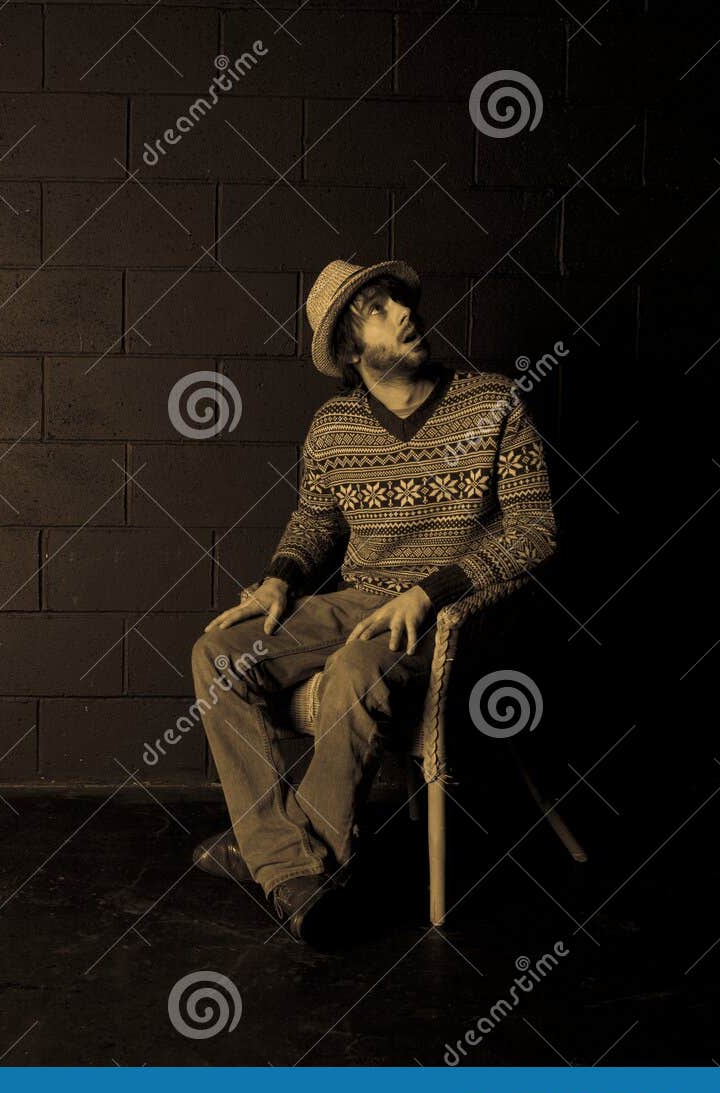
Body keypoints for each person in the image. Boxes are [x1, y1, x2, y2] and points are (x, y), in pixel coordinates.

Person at [189, 258, 558, 945]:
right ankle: (293, 866)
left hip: (449, 619)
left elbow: (537, 532)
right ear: (352, 351)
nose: (407, 315)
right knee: (218, 652)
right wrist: (279, 576)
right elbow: (316, 523)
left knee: (358, 669)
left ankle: (274, 859)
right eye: (379, 312)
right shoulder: (333, 427)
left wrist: (435, 589)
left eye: (401, 304)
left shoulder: (494, 401)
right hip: (356, 598)